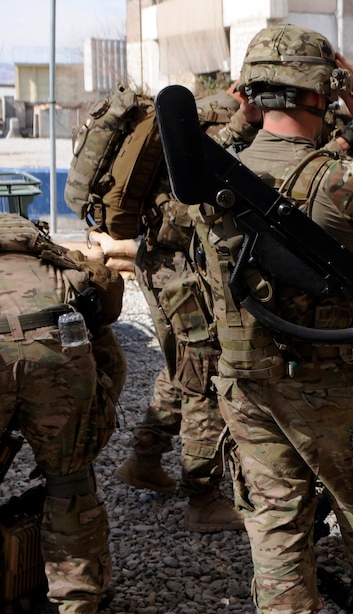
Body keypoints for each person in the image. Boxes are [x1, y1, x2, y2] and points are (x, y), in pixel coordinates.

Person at [185, 24, 353, 613]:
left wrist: (242, 118)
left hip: (246, 382)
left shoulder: (209, 178)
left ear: (251, 92)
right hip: (330, 389)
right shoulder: (343, 182)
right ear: (323, 95)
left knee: (277, 525)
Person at [113, 90, 245, 533]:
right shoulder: (221, 126)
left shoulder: (189, 115)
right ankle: (202, 498)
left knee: (181, 367)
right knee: (203, 381)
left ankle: (144, 459)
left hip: (158, 266)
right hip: (183, 275)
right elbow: (199, 211)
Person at [0, 212, 125, 613]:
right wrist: (93, 417)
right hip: (58, 356)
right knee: (70, 482)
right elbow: (108, 298)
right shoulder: (50, 256)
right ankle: (77, 601)